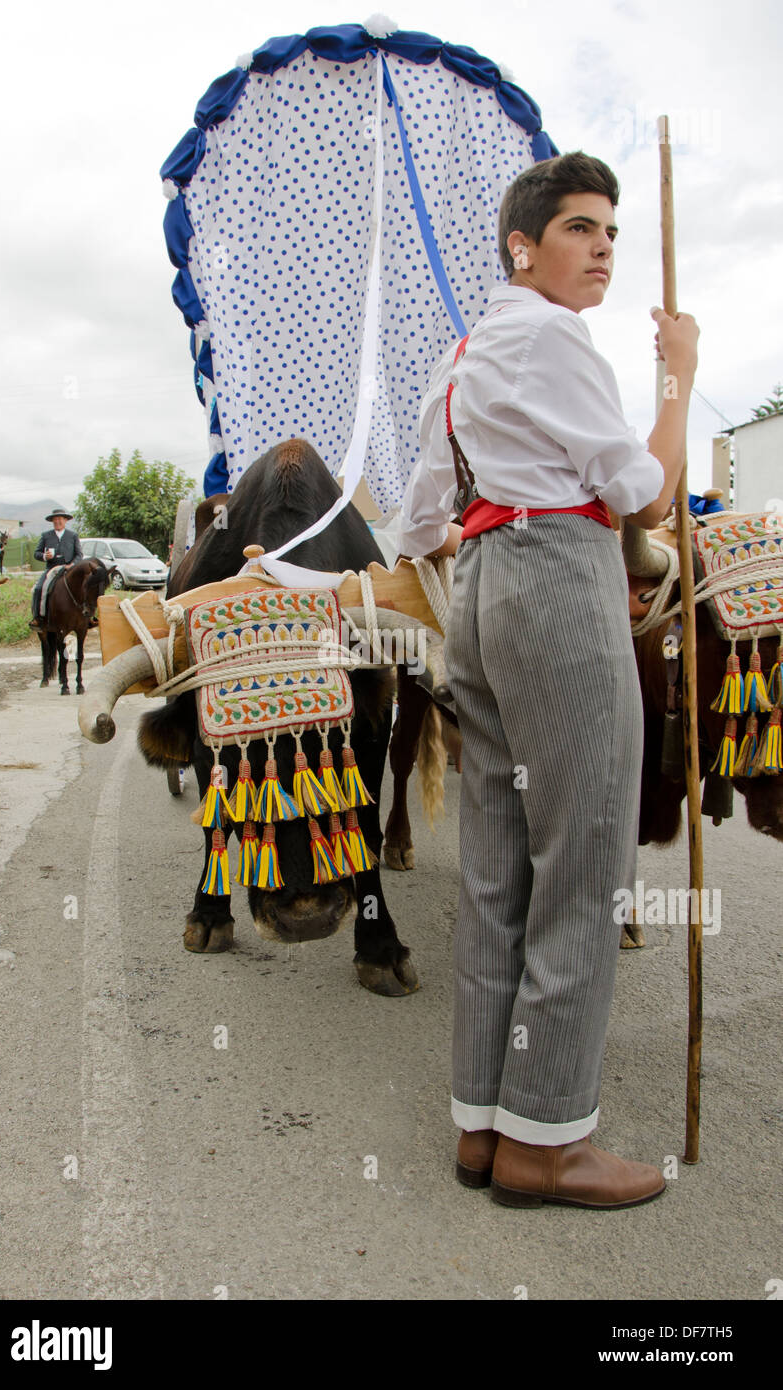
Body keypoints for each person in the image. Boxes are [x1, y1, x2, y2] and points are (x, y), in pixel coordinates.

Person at [398, 152, 699, 1210]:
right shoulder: (553, 337)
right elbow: (647, 496)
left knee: (496, 873)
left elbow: (418, 522)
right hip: (558, 584)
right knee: (582, 858)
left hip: (480, 594)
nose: (605, 248)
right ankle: (547, 1142)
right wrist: (678, 378)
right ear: (523, 246)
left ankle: (483, 1124)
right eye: (581, 228)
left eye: (611, 231)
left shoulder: (462, 357)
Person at [30, 507, 83, 627]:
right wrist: (44, 556)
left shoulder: (73, 535)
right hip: (51, 569)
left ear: (65, 521)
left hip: (69, 569)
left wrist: (72, 564)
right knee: (38, 589)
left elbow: (79, 555)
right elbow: (36, 553)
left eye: (59, 519)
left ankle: (87, 617)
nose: (57, 522)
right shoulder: (46, 536)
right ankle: (38, 617)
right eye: (55, 519)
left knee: (85, 588)